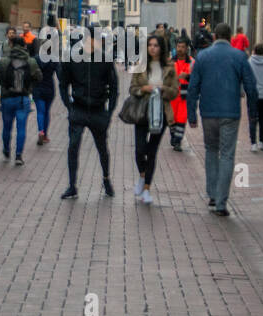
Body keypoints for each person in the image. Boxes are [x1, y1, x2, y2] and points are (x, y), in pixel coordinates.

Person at [187, 23, 258, 217]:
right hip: (230, 112)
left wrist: (191, 115)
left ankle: (211, 193)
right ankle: (221, 201)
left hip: (208, 112)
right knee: (227, 154)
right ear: (230, 36)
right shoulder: (239, 56)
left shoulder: (202, 56)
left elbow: (193, 87)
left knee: (211, 150)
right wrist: (253, 114)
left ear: (214, 35)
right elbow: (251, 87)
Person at [59, 31, 119, 199]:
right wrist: (68, 106)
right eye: (98, 40)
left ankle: (106, 179)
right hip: (78, 108)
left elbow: (114, 87)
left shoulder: (105, 60)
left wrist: (110, 112)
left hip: (98, 110)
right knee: (73, 146)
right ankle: (72, 185)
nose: (101, 43)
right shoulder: (73, 58)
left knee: (102, 148)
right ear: (88, 40)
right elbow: (63, 83)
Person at [129, 34, 179, 205]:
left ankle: (147, 189)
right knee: (139, 149)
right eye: (150, 45)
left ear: (161, 48)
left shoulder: (170, 67)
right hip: (142, 111)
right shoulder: (140, 65)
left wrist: (161, 89)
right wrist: (144, 88)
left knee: (152, 151)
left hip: (161, 113)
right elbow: (132, 89)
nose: (152, 48)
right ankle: (142, 176)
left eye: (156, 45)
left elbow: (174, 91)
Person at [0, 32, 42, 166]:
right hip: (23, 99)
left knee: (7, 127)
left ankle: (6, 150)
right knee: (21, 128)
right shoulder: (31, 61)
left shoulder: (4, 61)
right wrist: (30, 85)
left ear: (11, 45)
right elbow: (39, 77)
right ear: (24, 46)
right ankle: (19, 156)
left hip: (7, 99)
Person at [33, 19, 60, 146]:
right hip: (50, 88)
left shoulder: (36, 59)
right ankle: (46, 135)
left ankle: (40, 131)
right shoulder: (54, 59)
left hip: (38, 88)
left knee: (40, 111)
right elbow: (60, 75)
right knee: (47, 112)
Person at [169, 38, 194, 151]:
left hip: (185, 96)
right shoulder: (170, 62)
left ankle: (177, 141)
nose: (180, 49)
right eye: (178, 47)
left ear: (187, 48)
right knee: (172, 120)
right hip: (172, 96)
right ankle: (174, 137)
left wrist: (188, 77)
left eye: (183, 47)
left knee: (182, 119)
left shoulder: (192, 62)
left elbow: (197, 78)